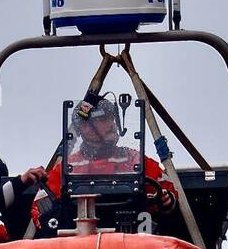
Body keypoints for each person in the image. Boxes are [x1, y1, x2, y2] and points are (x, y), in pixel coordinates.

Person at [45, 93, 177, 232]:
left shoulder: (135, 160)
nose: (111, 125)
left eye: (112, 119)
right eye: (103, 119)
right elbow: (40, 208)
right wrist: (57, 213)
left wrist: (166, 200)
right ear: (85, 128)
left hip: (131, 245)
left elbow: (167, 192)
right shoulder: (67, 168)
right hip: (80, 248)